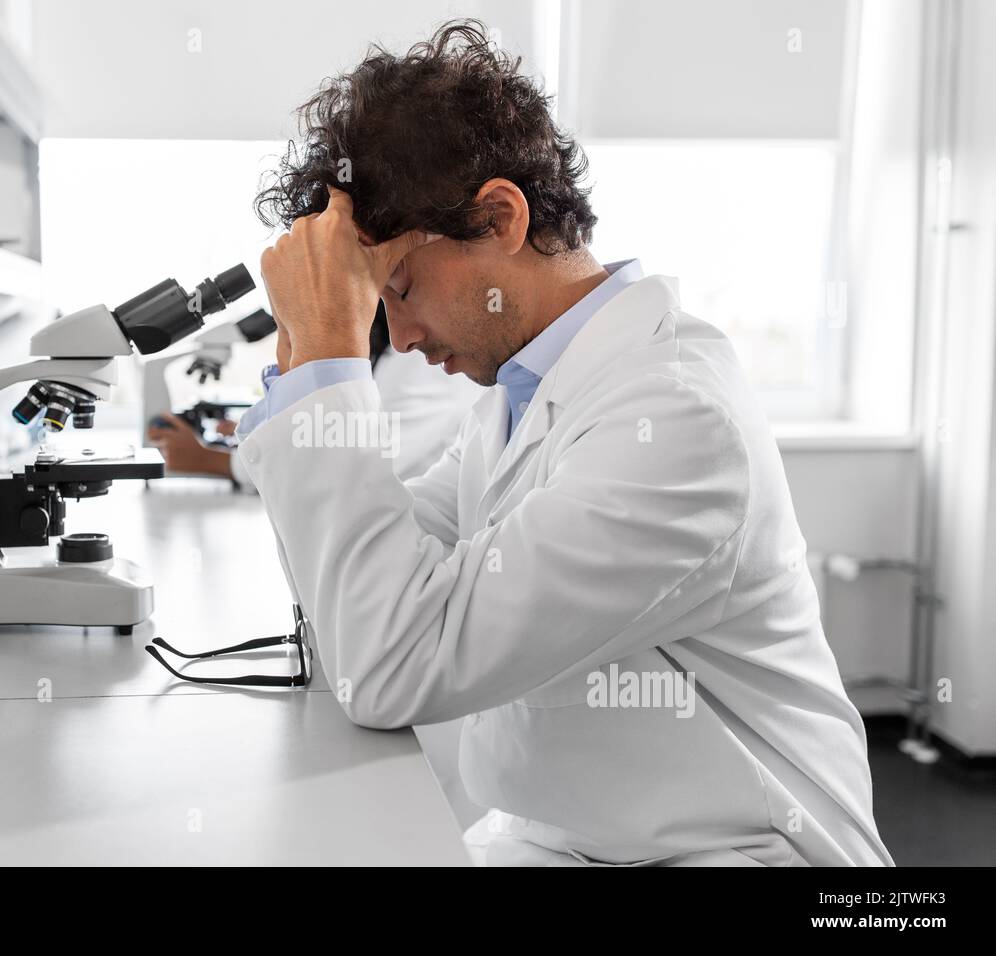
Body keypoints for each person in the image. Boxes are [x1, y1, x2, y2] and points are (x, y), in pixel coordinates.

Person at [232, 20, 893, 866]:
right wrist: (303, 350)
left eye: (396, 288)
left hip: (739, 848)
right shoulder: (518, 399)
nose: (392, 336)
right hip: (582, 840)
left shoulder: (679, 419)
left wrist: (329, 351)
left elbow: (390, 667)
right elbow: (353, 609)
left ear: (500, 217)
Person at [147, 306, 480, 485]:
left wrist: (211, 461)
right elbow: (340, 428)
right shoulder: (387, 344)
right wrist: (258, 435)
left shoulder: (422, 359)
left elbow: (357, 468)